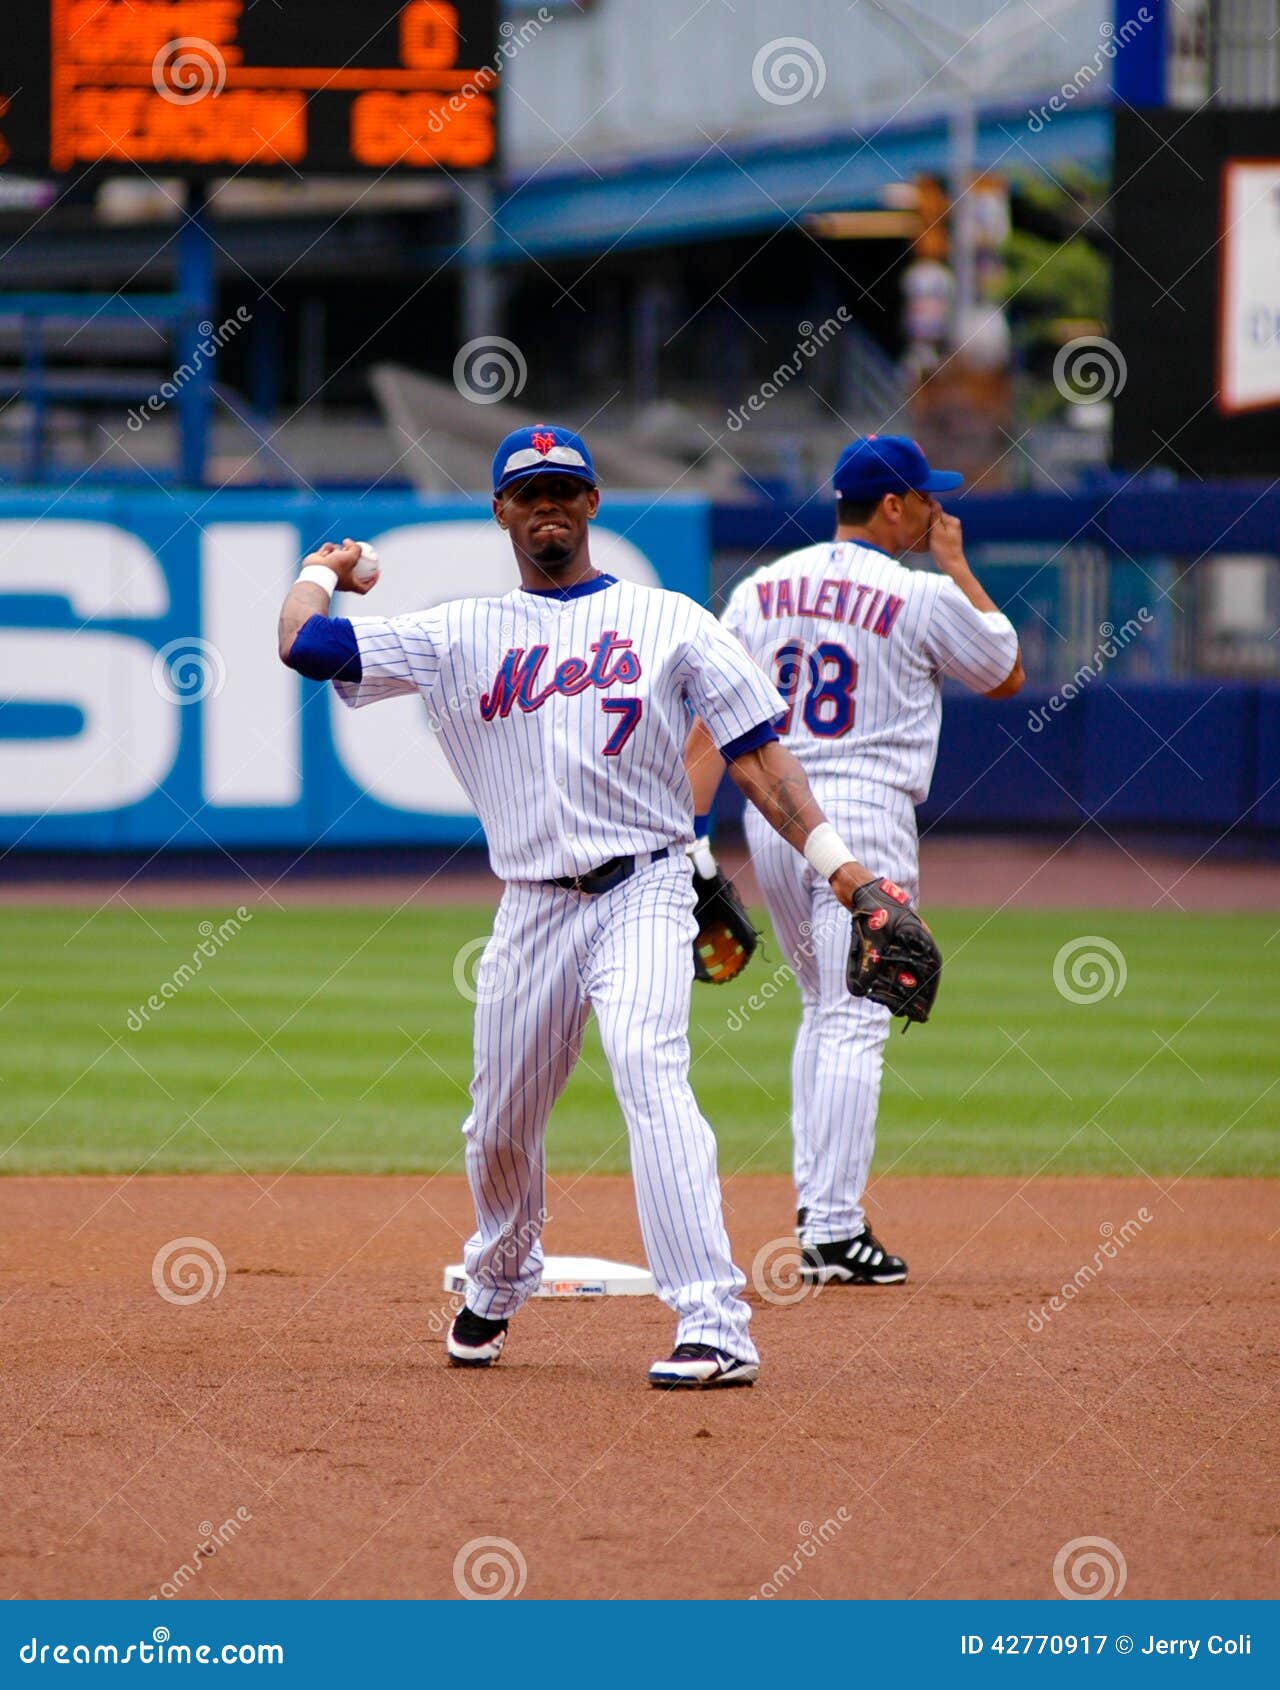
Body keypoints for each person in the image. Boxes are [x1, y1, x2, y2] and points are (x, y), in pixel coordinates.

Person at [277, 423, 882, 1389]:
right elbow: (305, 645)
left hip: (648, 884)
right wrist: (322, 568)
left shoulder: (672, 619)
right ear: (501, 512)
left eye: (564, 488)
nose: (548, 505)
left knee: (649, 1067)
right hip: (530, 907)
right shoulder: (457, 633)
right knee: (499, 1126)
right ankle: (500, 1273)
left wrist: (850, 877)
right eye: (529, 493)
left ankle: (714, 1321)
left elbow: (762, 762)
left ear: (593, 502)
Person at [687, 435, 1024, 1286]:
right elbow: (1006, 672)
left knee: (824, 1009)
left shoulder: (761, 588)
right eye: (927, 498)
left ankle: (821, 1213)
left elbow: (706, 712)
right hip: (864, 814)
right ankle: (833, 1231)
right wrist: (957, 565)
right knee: (857, 1017)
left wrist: (695, 839)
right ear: (893, 506)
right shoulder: (919, 591)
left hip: (775, 808)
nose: (936, 511)